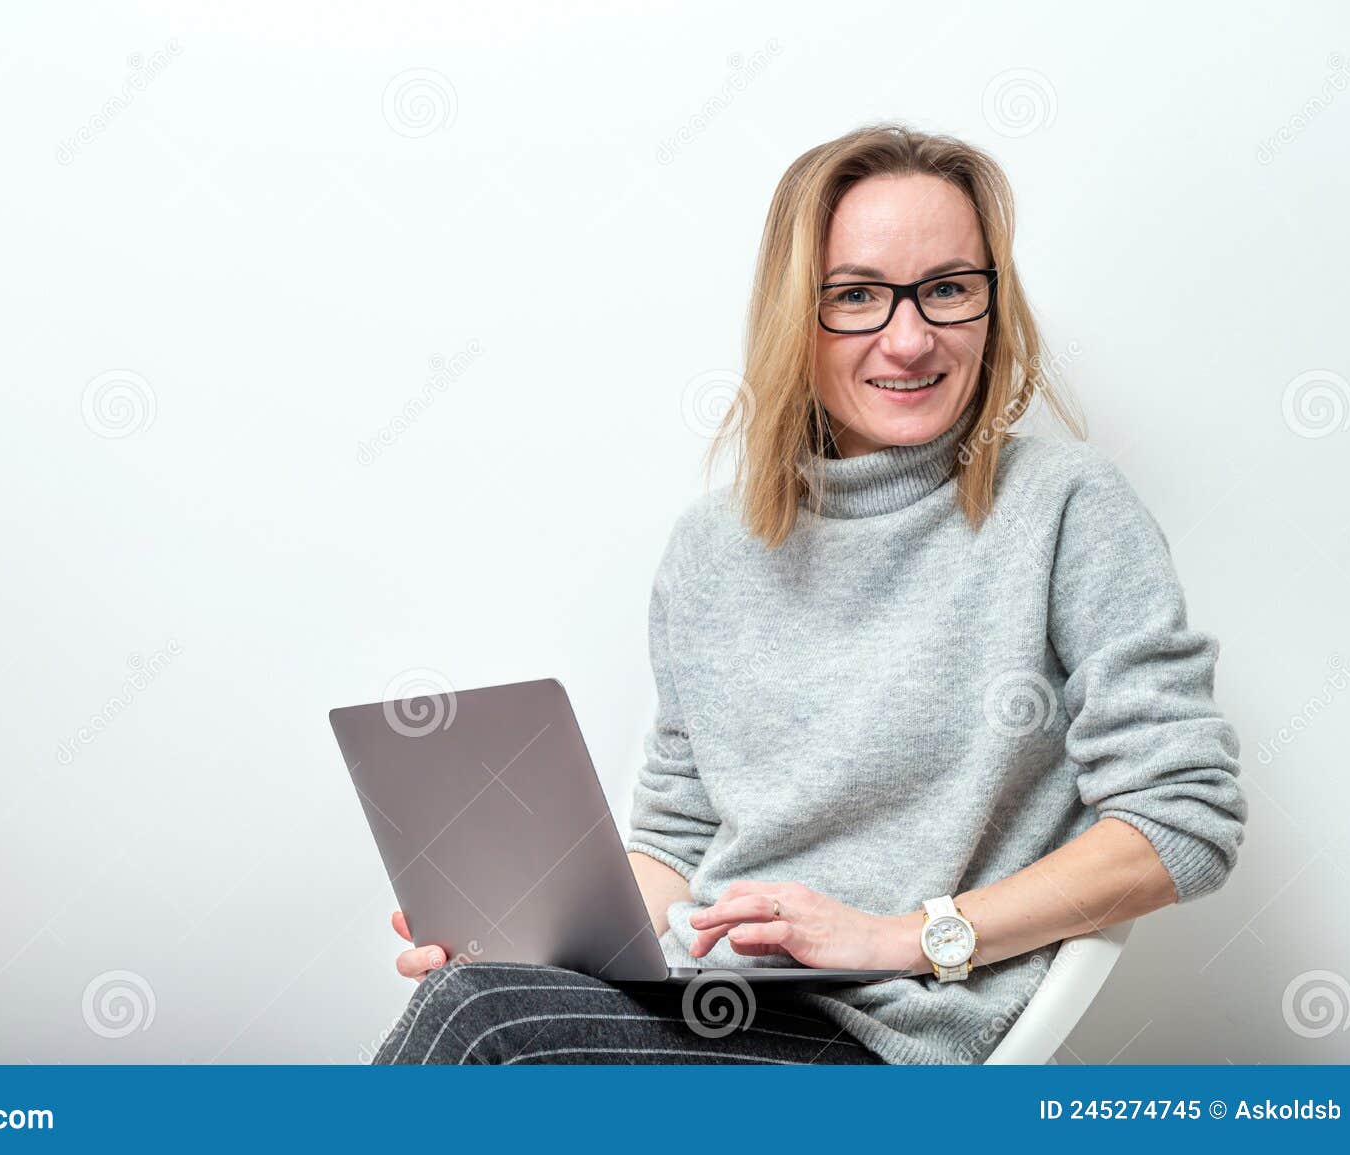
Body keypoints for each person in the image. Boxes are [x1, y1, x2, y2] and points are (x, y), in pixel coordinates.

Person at [372, 121, 1247, 1065]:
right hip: (697, 1001)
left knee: (482, 1023)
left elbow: (1182, 818)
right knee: (479, 994)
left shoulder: (1066, 508)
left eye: (948, 289)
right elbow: (678, 839)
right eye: (858, 297)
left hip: (882, 1039)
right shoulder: (711, 547)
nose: (908, 339)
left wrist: (906, 935)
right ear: (798, 314)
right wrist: (522, 943)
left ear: (992, 307)